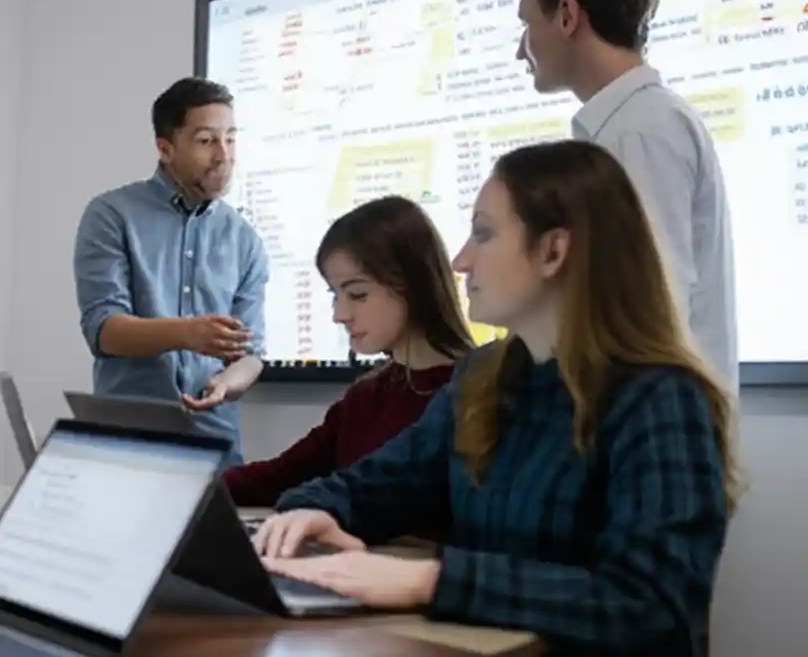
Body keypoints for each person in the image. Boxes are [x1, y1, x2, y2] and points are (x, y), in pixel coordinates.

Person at [253, 140, 739, 656]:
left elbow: (652, 606)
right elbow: (381, 484)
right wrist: (314, 510)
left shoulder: (661, 397)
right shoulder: (483, 377)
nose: (461, 261)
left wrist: (430, 582)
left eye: (483, 234)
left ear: (553, 250)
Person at [514, 0, 738, 391]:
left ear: (567, 17)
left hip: (656, 436)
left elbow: (650, 312)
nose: (520, 50)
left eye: (526, 25)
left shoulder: (639, 130)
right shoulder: (632, 124)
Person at [222, 196, 472, 507]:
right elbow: (278, 476)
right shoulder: (366, 396)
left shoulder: (474, 392)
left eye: (357, 294)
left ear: (413, 283)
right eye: (335, 295)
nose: (340, 314)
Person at [73, 77, 268, 463]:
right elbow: (104, 330)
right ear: (165, 148)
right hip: (128, 445)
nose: (223, 154)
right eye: (206, 140)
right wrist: (188, 333)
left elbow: (252, 355)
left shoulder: (245, 238)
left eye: (230, 138)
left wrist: (224, 384)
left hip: (216, 451)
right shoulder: (111, 215)